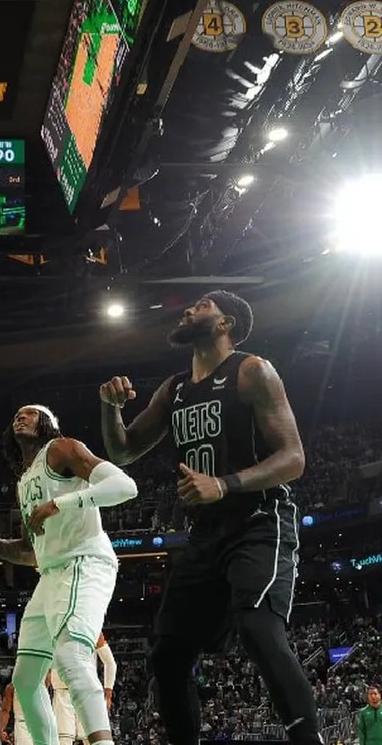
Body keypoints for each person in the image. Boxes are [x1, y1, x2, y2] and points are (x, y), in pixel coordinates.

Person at [98, 291, 319, 745]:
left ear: (226, 323)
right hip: (204, 534)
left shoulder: (251, 370)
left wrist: (223, 484)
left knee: (258, 629)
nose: (188, 310)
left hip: (258, 520)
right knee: (168, 655)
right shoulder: (174, 388)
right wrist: (110, 408)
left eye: (201, 306)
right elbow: (122, 449)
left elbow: (294, 458)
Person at [0, 405, 138, 745]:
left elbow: (124, 486)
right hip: (51, 573)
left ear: (48, 424)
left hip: (83, 561)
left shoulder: (61, 449)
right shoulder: (25, 480)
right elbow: (29, 552)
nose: (20, 416)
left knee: (71, 656)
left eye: (30, 413)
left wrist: (62, 504)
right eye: (16, 414)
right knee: (26, 681)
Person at [49, 632, 117, 745]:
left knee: (95, 739)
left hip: (86, 691)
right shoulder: (53, 629)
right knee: (63, 740)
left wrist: (108, 693)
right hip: (63, 692)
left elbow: (110, 663)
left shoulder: (93, 630)